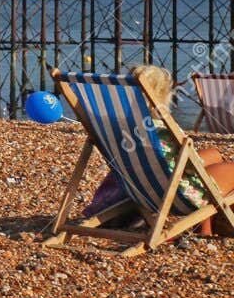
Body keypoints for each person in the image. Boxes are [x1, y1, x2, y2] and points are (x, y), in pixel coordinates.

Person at [86, 64, 234, 235]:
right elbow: (189, 165)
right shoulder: (162, 129)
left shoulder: (114, 129)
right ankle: (209, 226)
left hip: (139, 190)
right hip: (177, 195)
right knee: (229, 168)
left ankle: (207, 224)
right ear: (162, 96)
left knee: (214, 155)